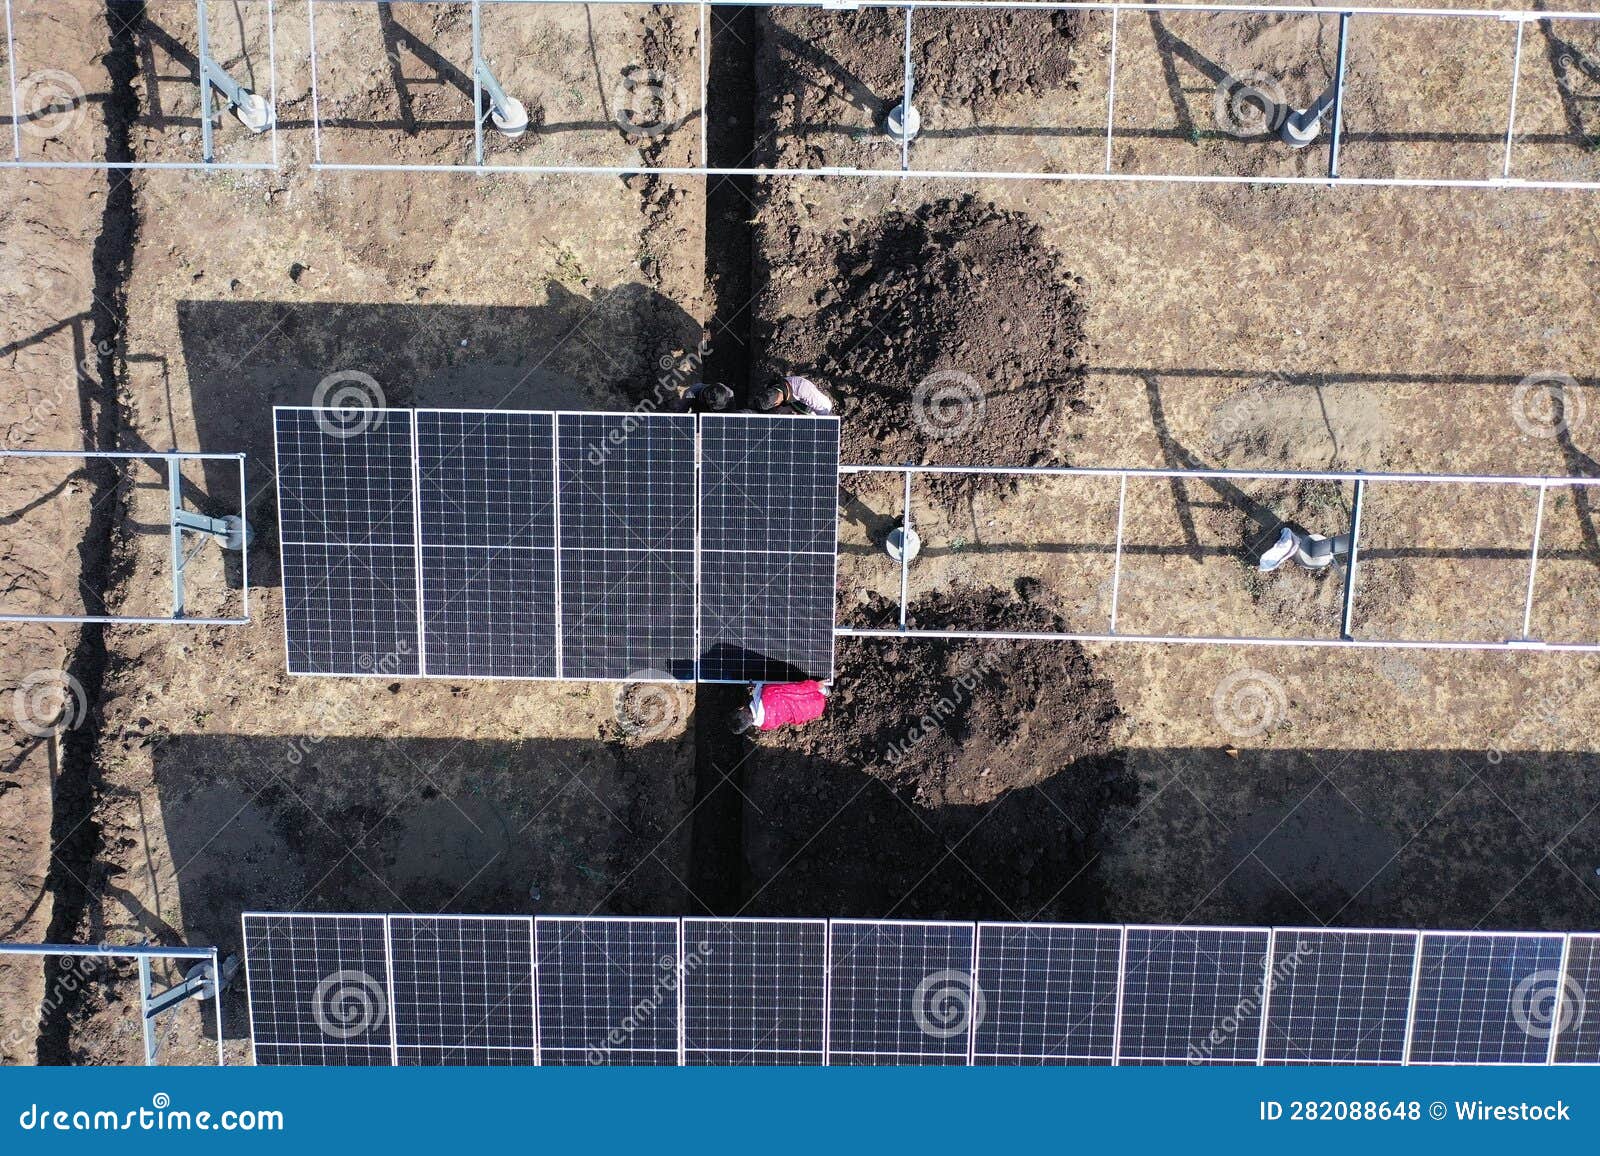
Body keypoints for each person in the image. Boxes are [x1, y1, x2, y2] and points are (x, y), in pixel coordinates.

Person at [731, 678, 832, 734]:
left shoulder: (765, 725)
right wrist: (816, 685)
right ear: (740, 707)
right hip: (815, 696)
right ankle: (824, 690)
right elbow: (796, 688)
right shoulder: (768, 693)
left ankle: (824, 691)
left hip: (814, 711)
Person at [754, 374, 834, 416]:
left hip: (822, 409)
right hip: (792, 399)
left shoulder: (803, 389)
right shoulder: (773, 387)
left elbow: (823, 412)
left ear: (777, 402)